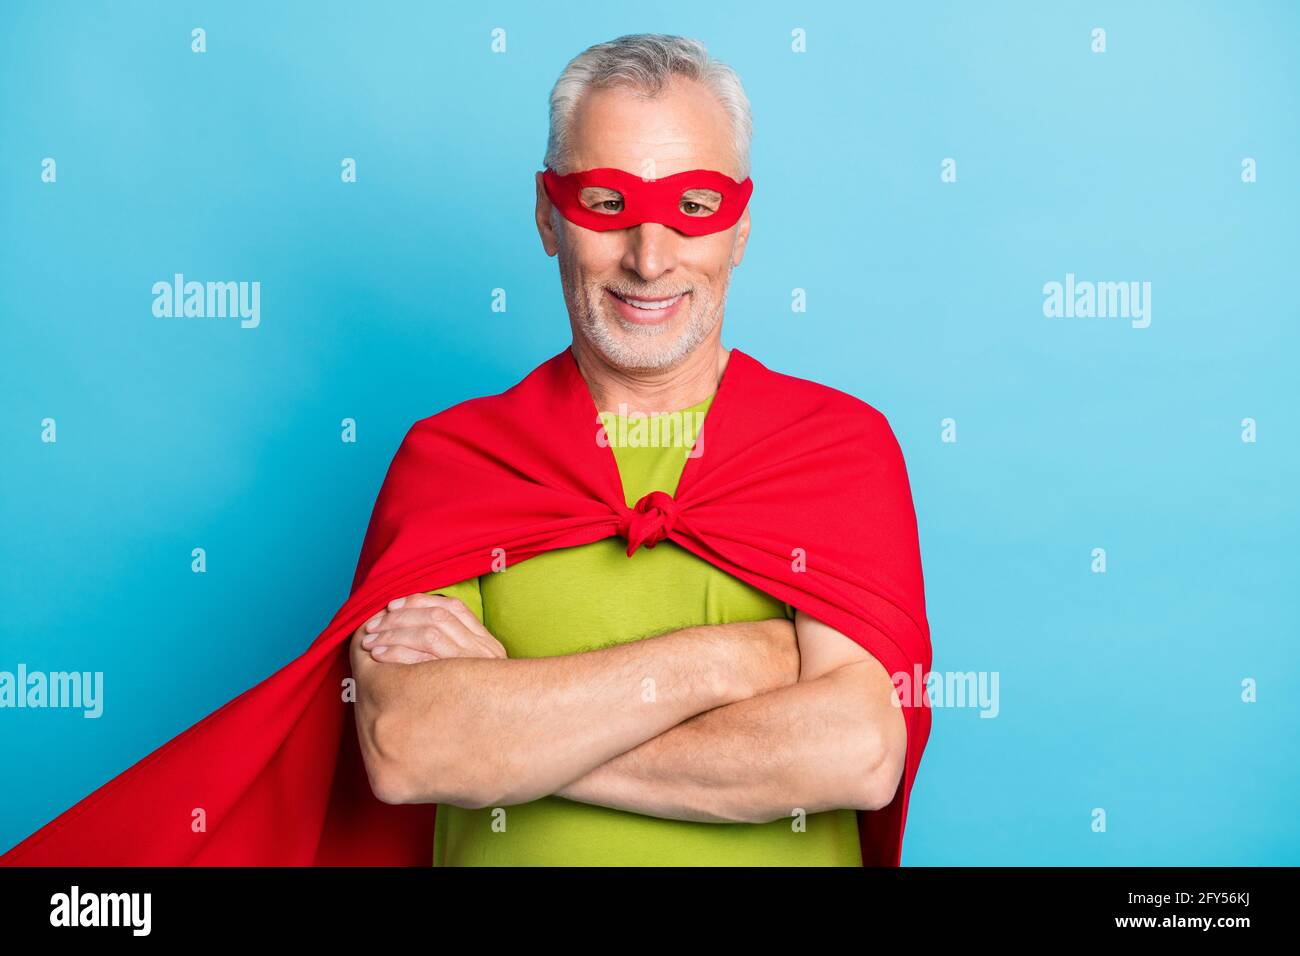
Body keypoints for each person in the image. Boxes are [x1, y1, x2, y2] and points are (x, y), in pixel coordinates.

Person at [348, 33, 912, 866]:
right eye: (608, 206)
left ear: (741, 230)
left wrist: (513, 735)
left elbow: (858, 752)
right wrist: (734, 660)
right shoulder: (454, 460)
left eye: (693, 209)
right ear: (548, 215)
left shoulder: (834, 450)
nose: (650, 260)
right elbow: (410, 745)